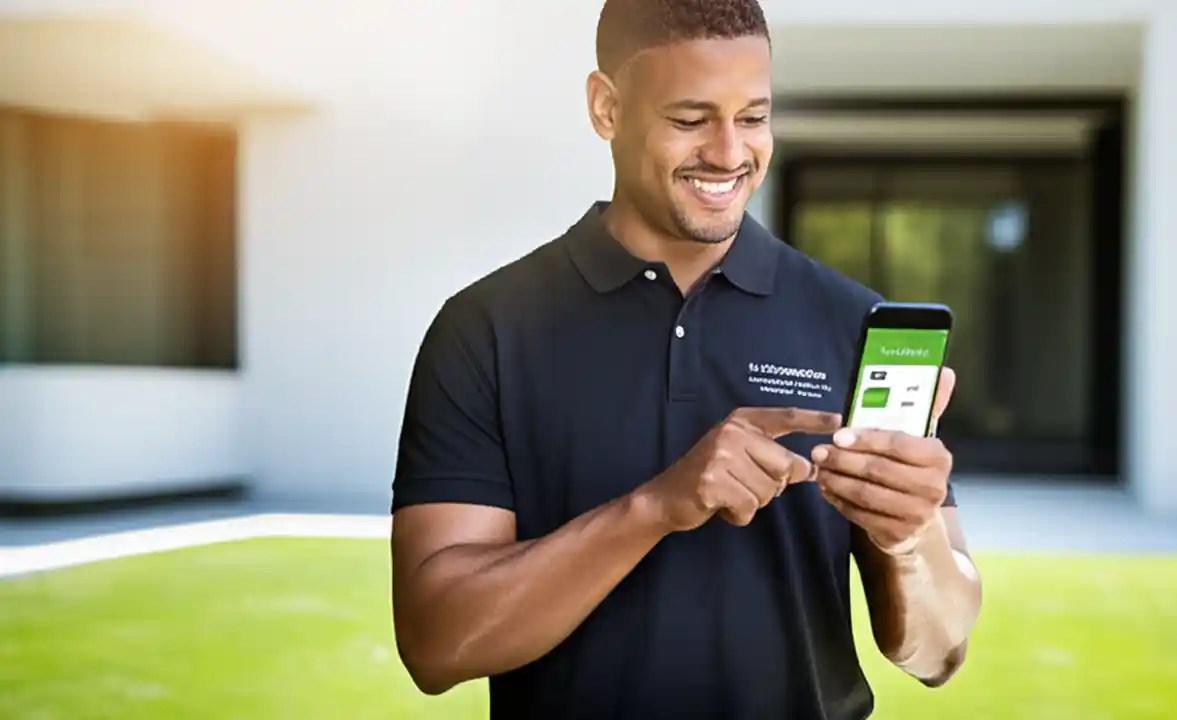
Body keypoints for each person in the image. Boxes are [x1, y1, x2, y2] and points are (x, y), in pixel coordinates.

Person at [389, 0, 983, 717]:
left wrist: (911, 536)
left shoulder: (850, 322)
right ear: (607, 108)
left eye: (753, 117)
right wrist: (656, 507)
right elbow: (436, 644)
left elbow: (938, 654)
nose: (729, 153)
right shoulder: (485, 330)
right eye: (691, 119)